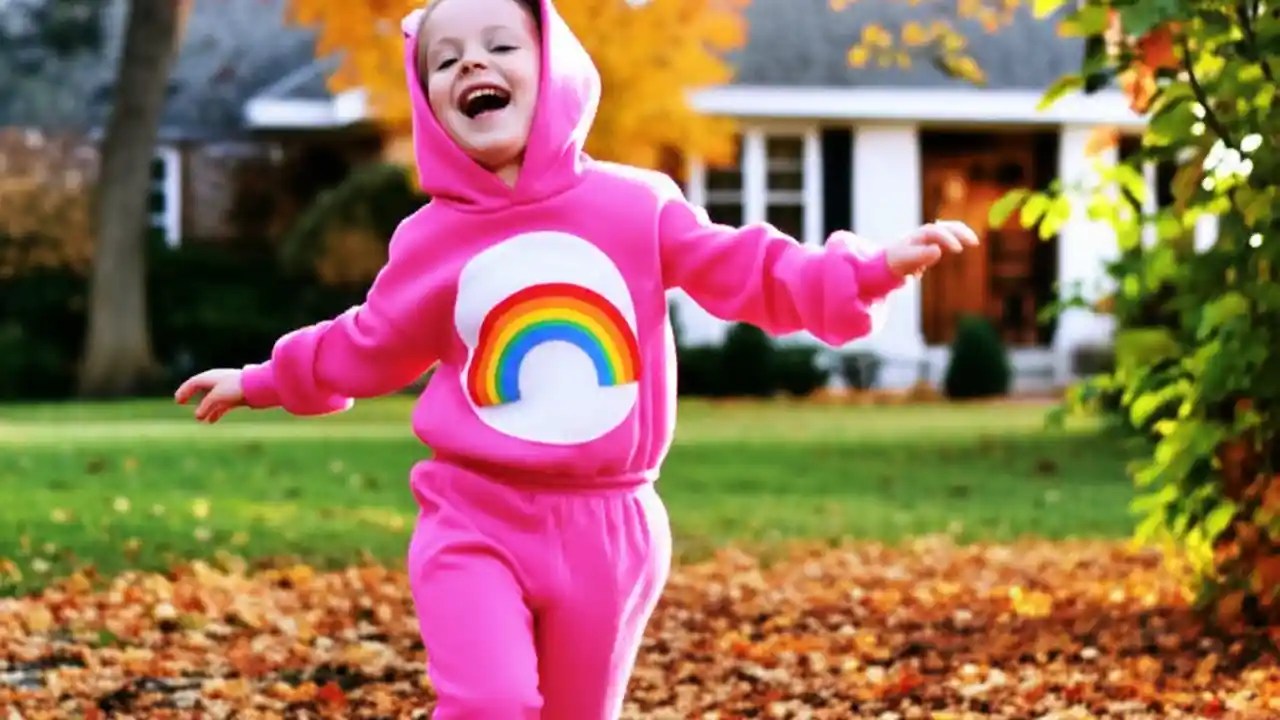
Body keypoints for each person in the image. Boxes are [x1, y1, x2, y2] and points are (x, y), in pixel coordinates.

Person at [174, 0, 978, 716]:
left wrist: (866, 269)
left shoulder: (636, 205)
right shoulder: (429, 242)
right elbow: (369, 341)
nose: (473, 64)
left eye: (500, 46)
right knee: (489, 701)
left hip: (612, 527)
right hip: (474, 514)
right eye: (447, 61)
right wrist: (264, 379)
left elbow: (747, 269)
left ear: (553, 68)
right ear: (430, 106)